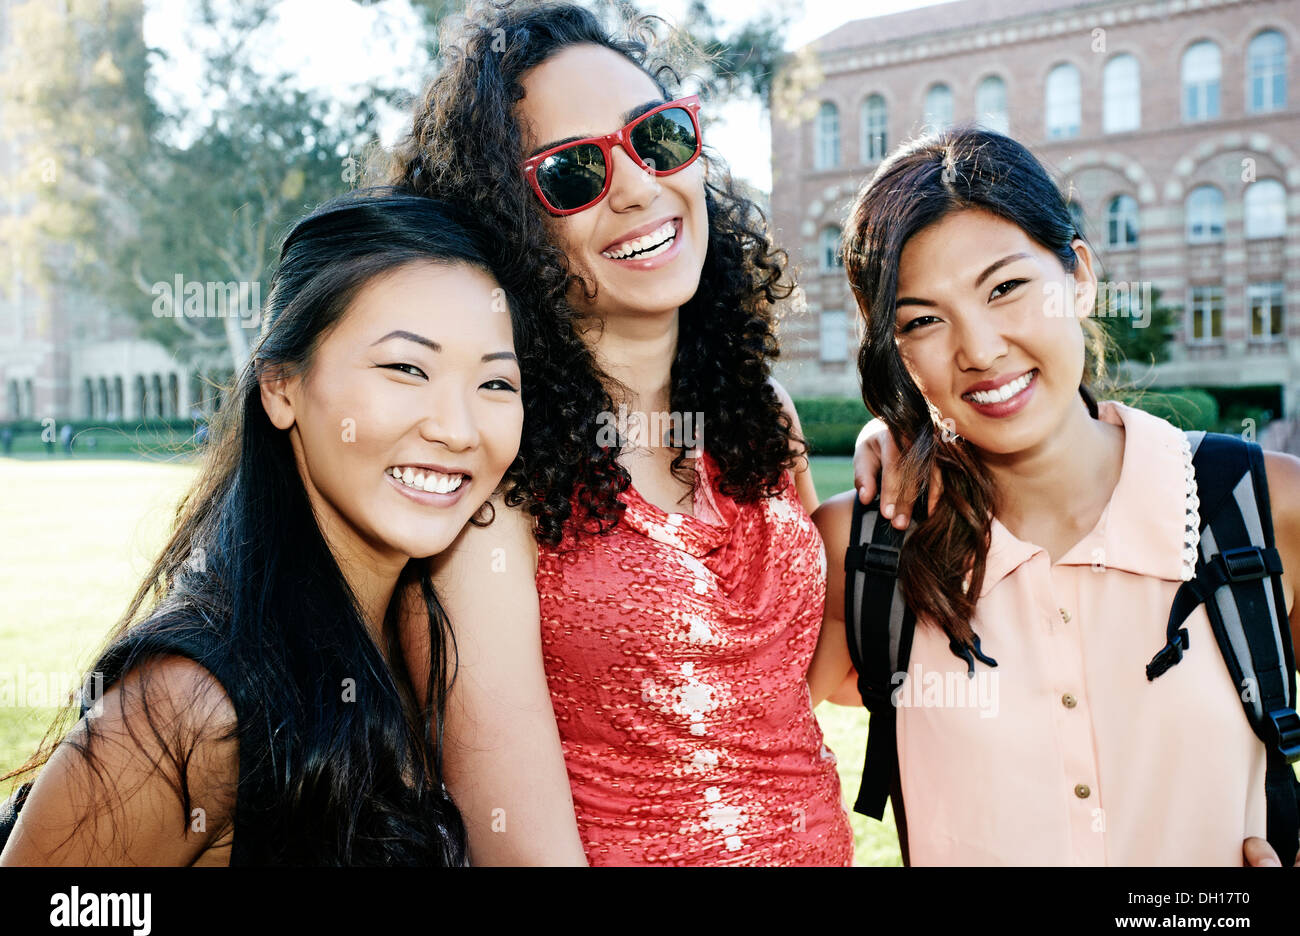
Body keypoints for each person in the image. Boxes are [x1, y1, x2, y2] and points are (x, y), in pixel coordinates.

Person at [388, 0, 855, 865]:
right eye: (572, 174)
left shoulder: (762, 413)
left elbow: (775, 691)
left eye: (658, 136)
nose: (639, 184)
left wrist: (881, 504)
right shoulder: (492, 480)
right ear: (506, 226)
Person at [809, 126, 1300, 865]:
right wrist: (793, 430)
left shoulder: (1262, 507)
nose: (977, 350)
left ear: (1078, 274)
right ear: (895, 350)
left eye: (1006, 288)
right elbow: (720, 754)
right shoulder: (860, 549)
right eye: (922, 321)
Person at [0, 189, 528, 865]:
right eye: (405, 368)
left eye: (495, 384)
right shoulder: (191, 707)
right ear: (281, 386)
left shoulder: (429, 648)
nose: (456, 429)